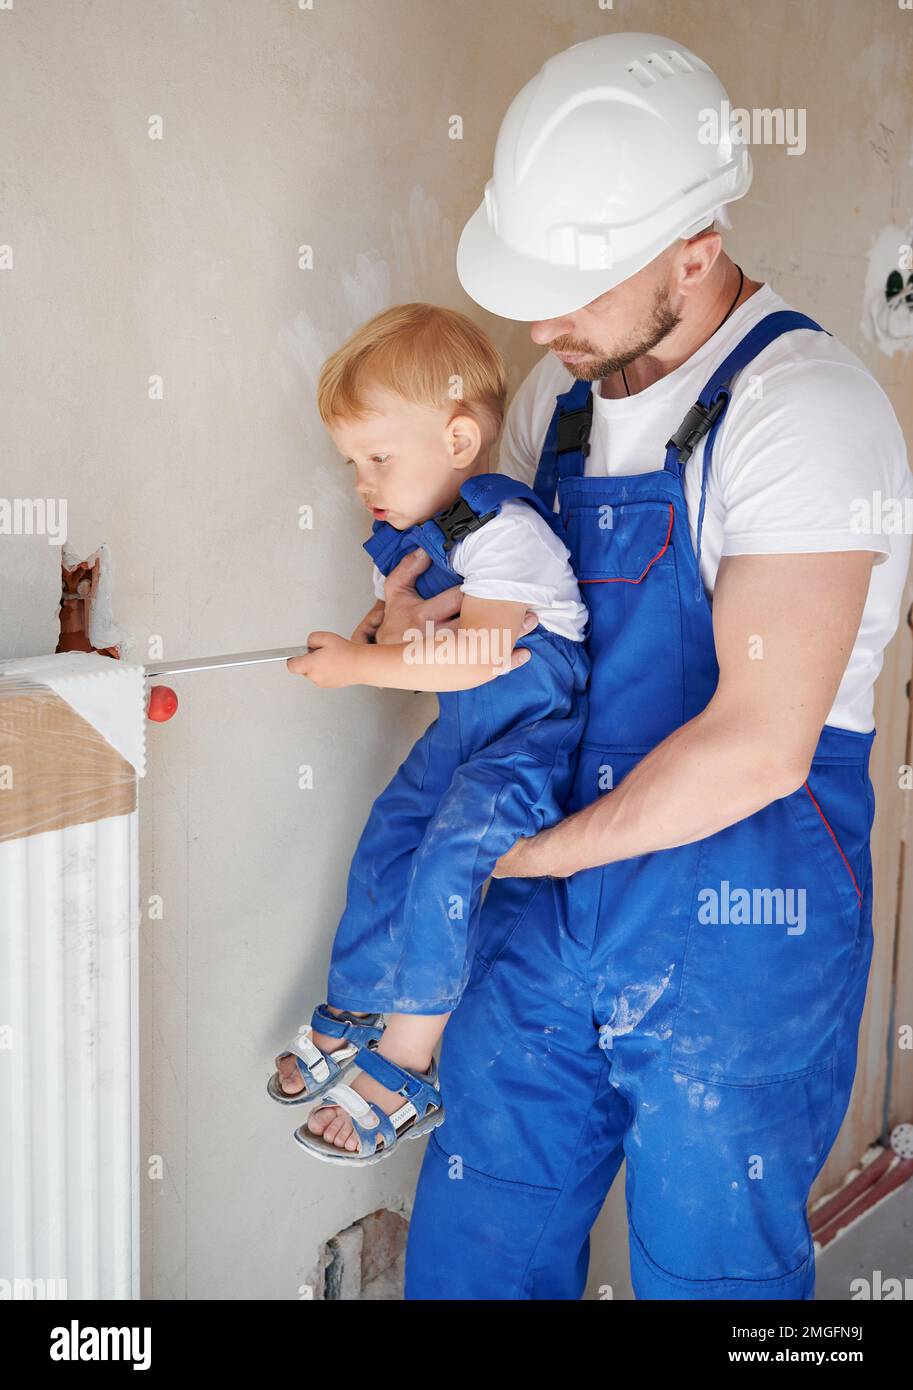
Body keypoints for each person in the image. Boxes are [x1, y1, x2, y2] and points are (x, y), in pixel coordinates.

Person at [365, 33, 912, 1295]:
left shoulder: (805, 412)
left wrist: (522, 853)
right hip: (546, 924)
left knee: (714, 1283)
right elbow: (524, 637)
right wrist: (417, 627)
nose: (541, 321)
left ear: (696, 252)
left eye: (578, 286)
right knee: (475, 1258)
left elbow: (760, 745)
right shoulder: (564, 411)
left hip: (739, 928)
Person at [268, 302, 589, 1164]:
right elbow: (408, 642)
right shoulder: (422, 537)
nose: (363, 482)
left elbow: (480, 656)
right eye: (351, 463)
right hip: (464, 732)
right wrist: (384, 631)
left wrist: (363, 666)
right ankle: (360, 997)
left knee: (450, 853)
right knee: (391, 833)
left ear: (456, 441)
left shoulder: (507, 532)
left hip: (527, 739)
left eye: (377, 456)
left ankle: (410, 1061)